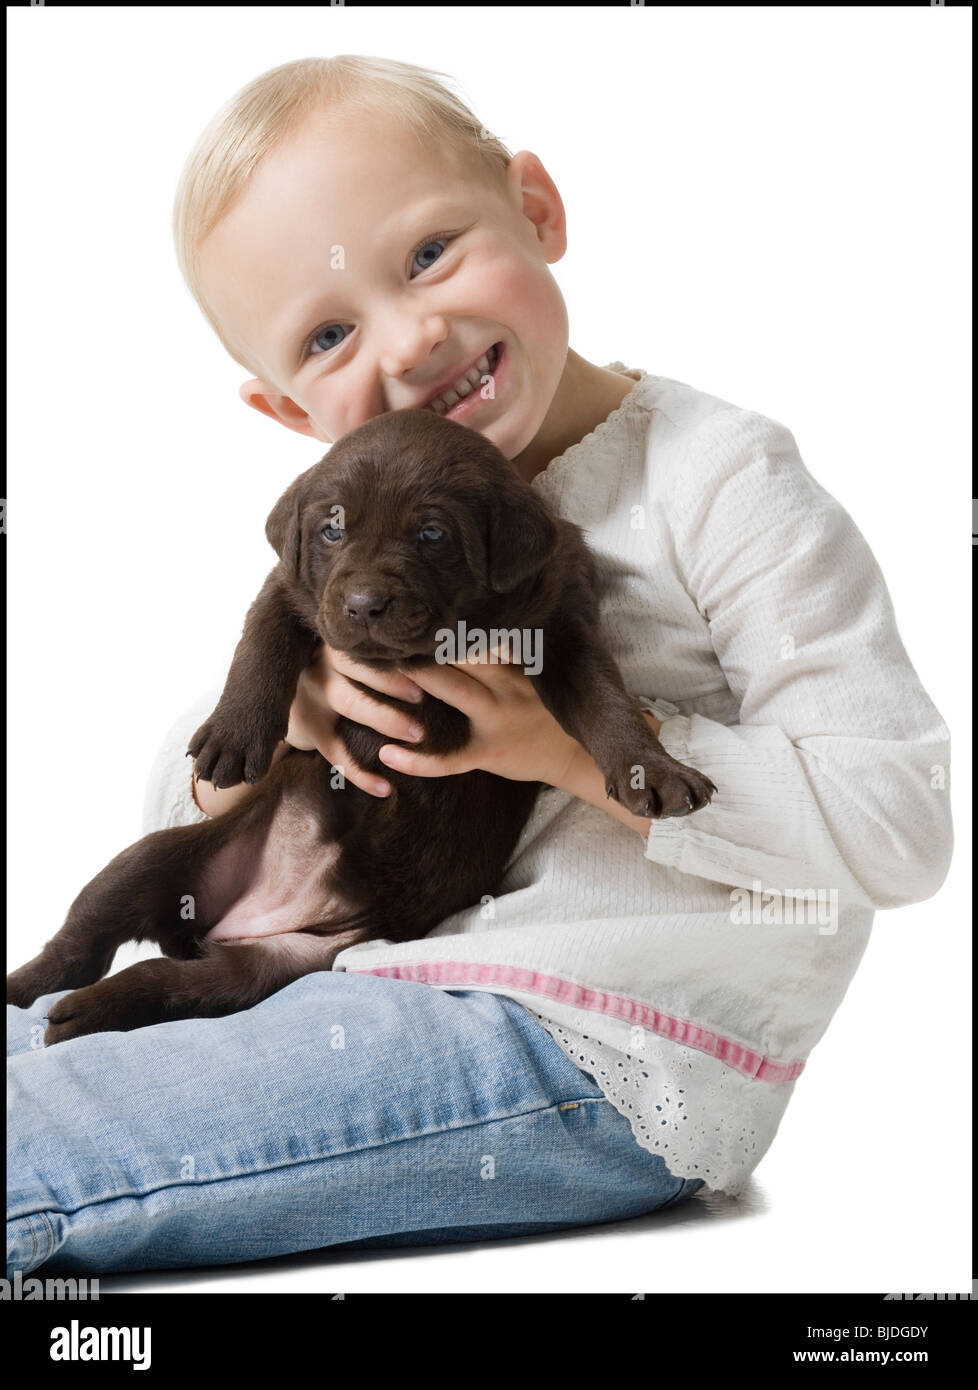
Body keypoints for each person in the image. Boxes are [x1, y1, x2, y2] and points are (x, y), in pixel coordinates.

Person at [6, 55, 953, 1277]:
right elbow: (204, 812)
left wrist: (571, 750)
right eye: (332, 332)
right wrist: (289, 718)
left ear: (539, 211)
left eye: (429, 255)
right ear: (288, 412)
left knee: (49, 1138)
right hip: (368, 978)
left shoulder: (725, 487)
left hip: (597, 1055)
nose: (411, 340)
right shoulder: (370, 530)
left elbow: (902, 826)